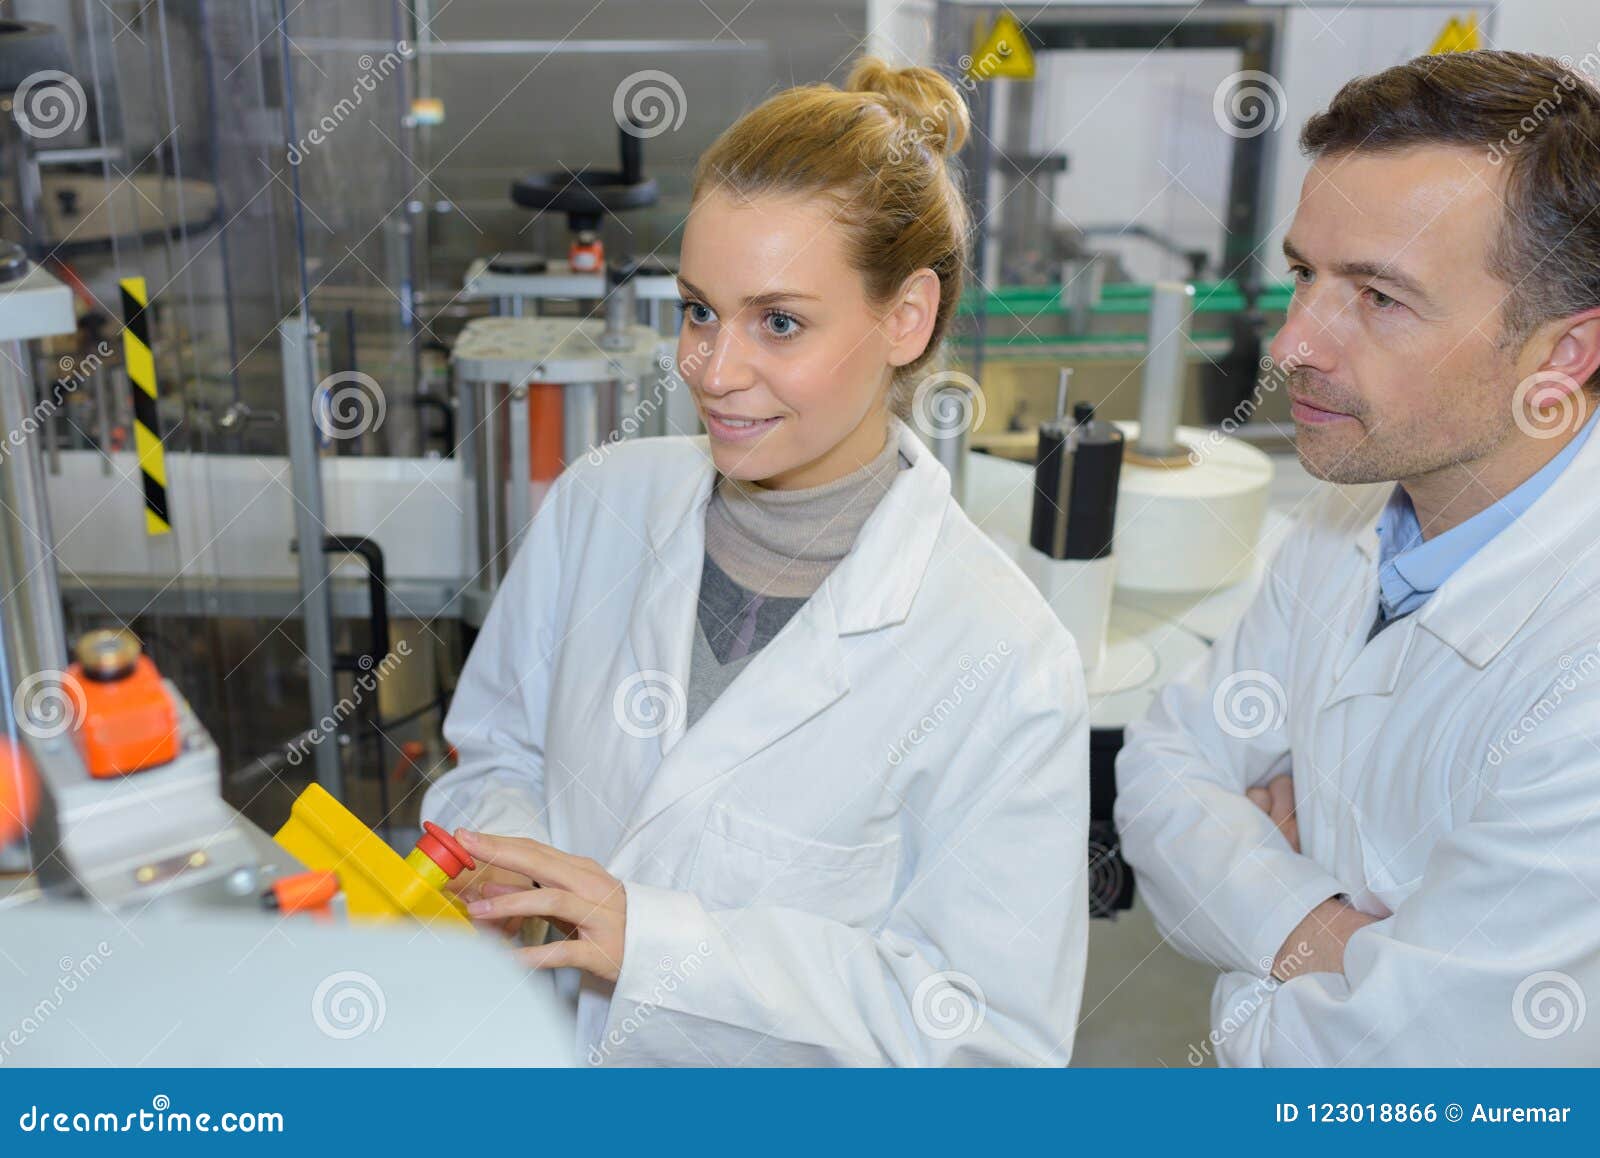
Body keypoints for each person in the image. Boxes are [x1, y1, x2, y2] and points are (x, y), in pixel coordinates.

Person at [422, 57, 1090, 1066]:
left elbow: (987, 1038)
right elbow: (499, 753)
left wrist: (655, 942)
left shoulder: (1000, 654)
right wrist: (518, 871)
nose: (713, 369)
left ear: (905, 316)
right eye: (698, 309)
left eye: (778, 322)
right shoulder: (603, 504)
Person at [1116, 50, 1600, 1065]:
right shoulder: (1357, 521)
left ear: (1562, 354)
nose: (1292, 344)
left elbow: (1404, 1073)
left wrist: (1246, 926)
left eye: (1378, 298)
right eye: (1303, 274)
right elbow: (1162, 772)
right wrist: (1320, 929)